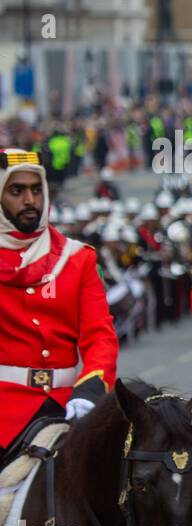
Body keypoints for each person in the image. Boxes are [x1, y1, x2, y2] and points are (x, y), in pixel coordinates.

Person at [0, 149, 117, 459]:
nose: (30, 200)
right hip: (4, 411)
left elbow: (100, 336)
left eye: (36, 190)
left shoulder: (78, 259)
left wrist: (91, 389)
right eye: (17, 190)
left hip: (69, 405)